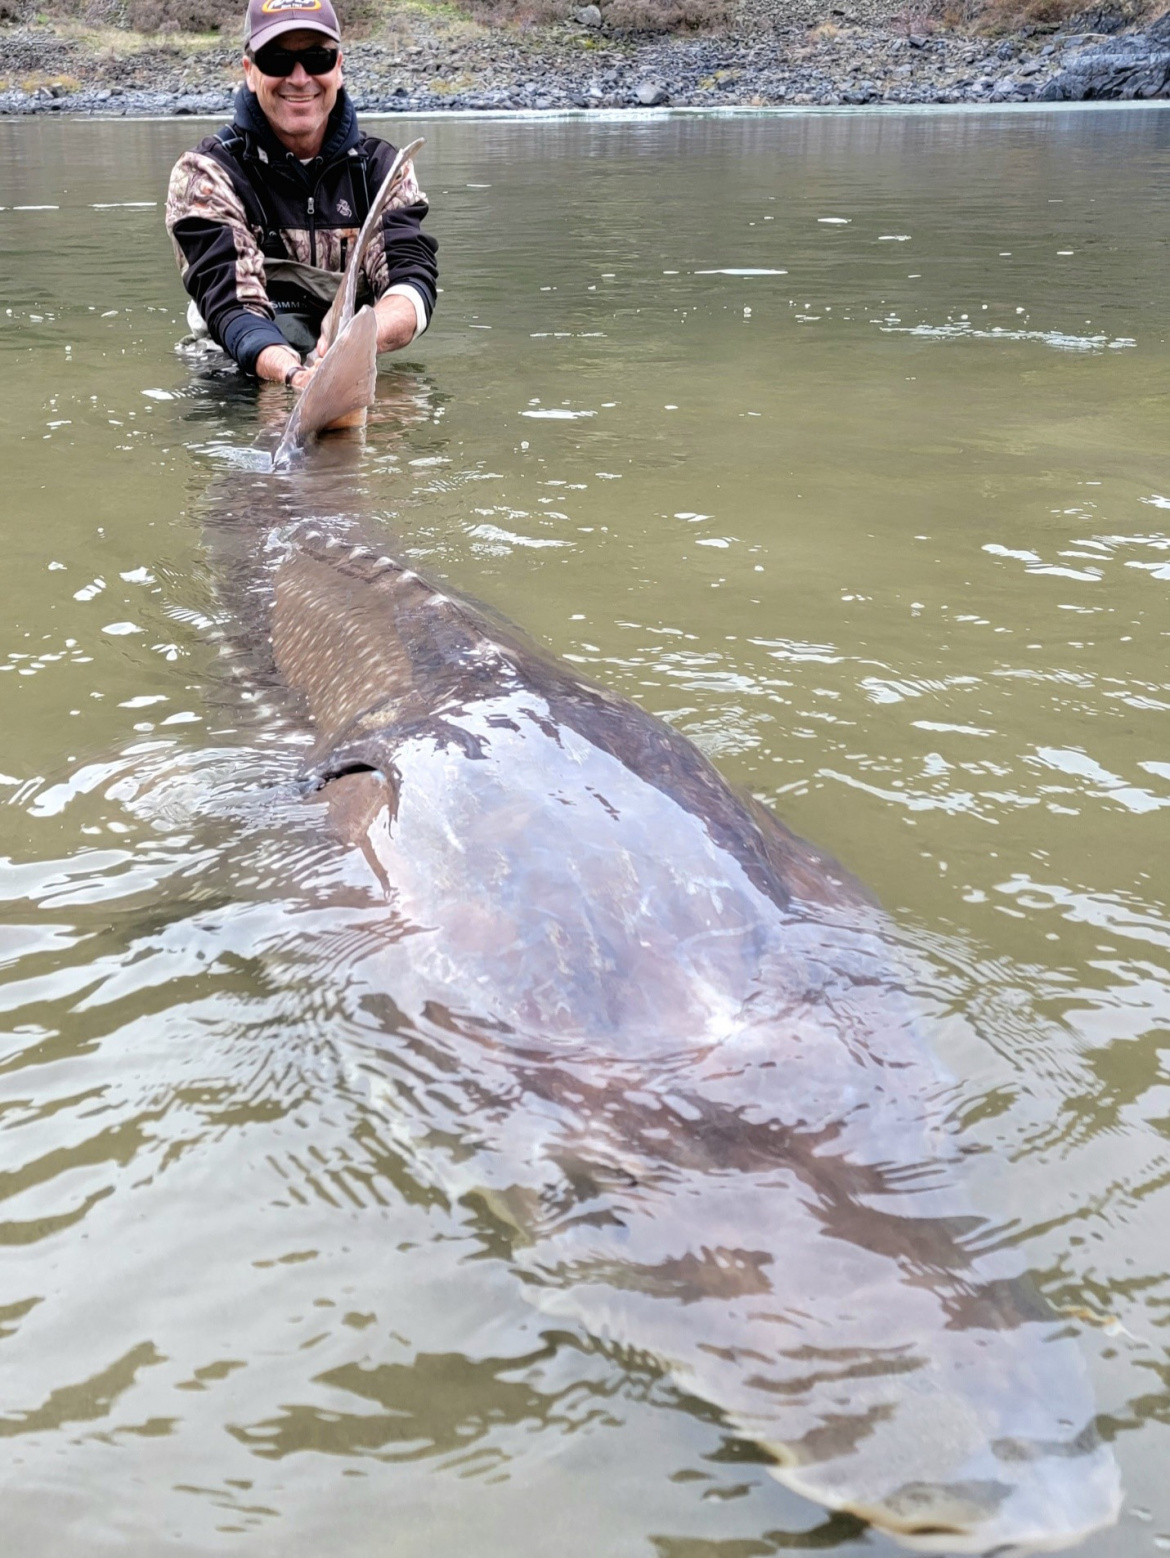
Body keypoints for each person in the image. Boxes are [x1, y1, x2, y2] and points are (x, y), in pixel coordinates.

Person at [165, 0, 437, 392]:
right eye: (277, 59)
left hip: (350, 366)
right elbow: (229, 303)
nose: (299, 77)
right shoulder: (206, 174)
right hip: (235, 373)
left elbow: (410, 282)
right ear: (249, 71)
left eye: (316, 58)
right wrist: (292, 375)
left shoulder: (382, 170)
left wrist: (356, 342)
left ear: (339, 67)